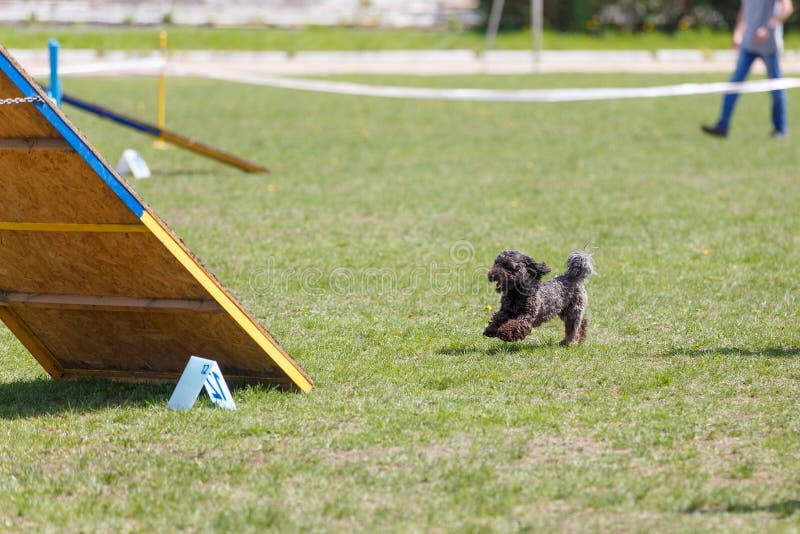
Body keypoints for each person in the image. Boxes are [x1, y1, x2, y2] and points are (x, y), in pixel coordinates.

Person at [702, 0, 795, 138]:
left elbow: (787, 8)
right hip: (748, 44)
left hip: (769, 46)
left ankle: (780, 129)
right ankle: (722, 126)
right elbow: (744, 10)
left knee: (776, 87)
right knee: (734, 84)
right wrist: (738, 33)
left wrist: (768, 28)